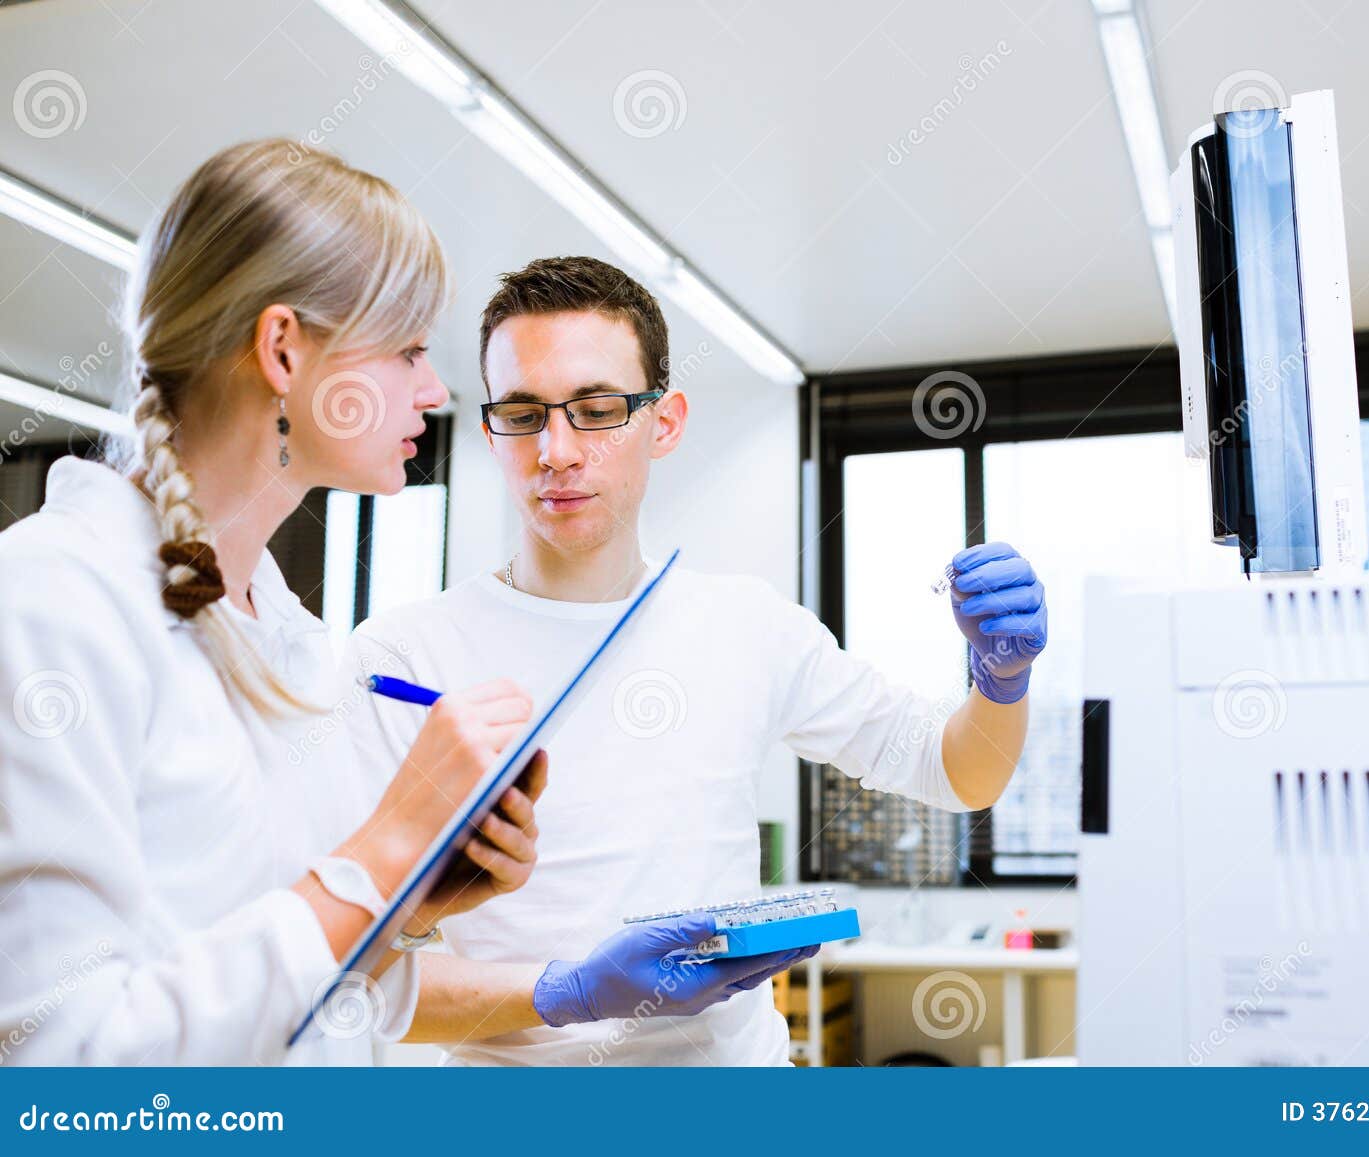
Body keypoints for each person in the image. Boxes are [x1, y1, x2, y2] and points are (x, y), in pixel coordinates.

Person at [0, 144, 807, 1066]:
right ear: (283, 350)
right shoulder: (53, 598)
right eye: (410, 350)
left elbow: (302, 987)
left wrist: (421, 904)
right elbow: (51, 1075)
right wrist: (389, 845)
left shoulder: (288, 637)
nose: (434, 390)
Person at [342, 256, 1049, 1066]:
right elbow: (360, 981)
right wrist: (566, 989)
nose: (557, 450)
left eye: (597, 409)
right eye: (524, 413)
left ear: (665, 421)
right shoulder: (404, 656)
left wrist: (999, 681)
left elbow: (956, 772)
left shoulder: (747, 624)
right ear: (491, 425)